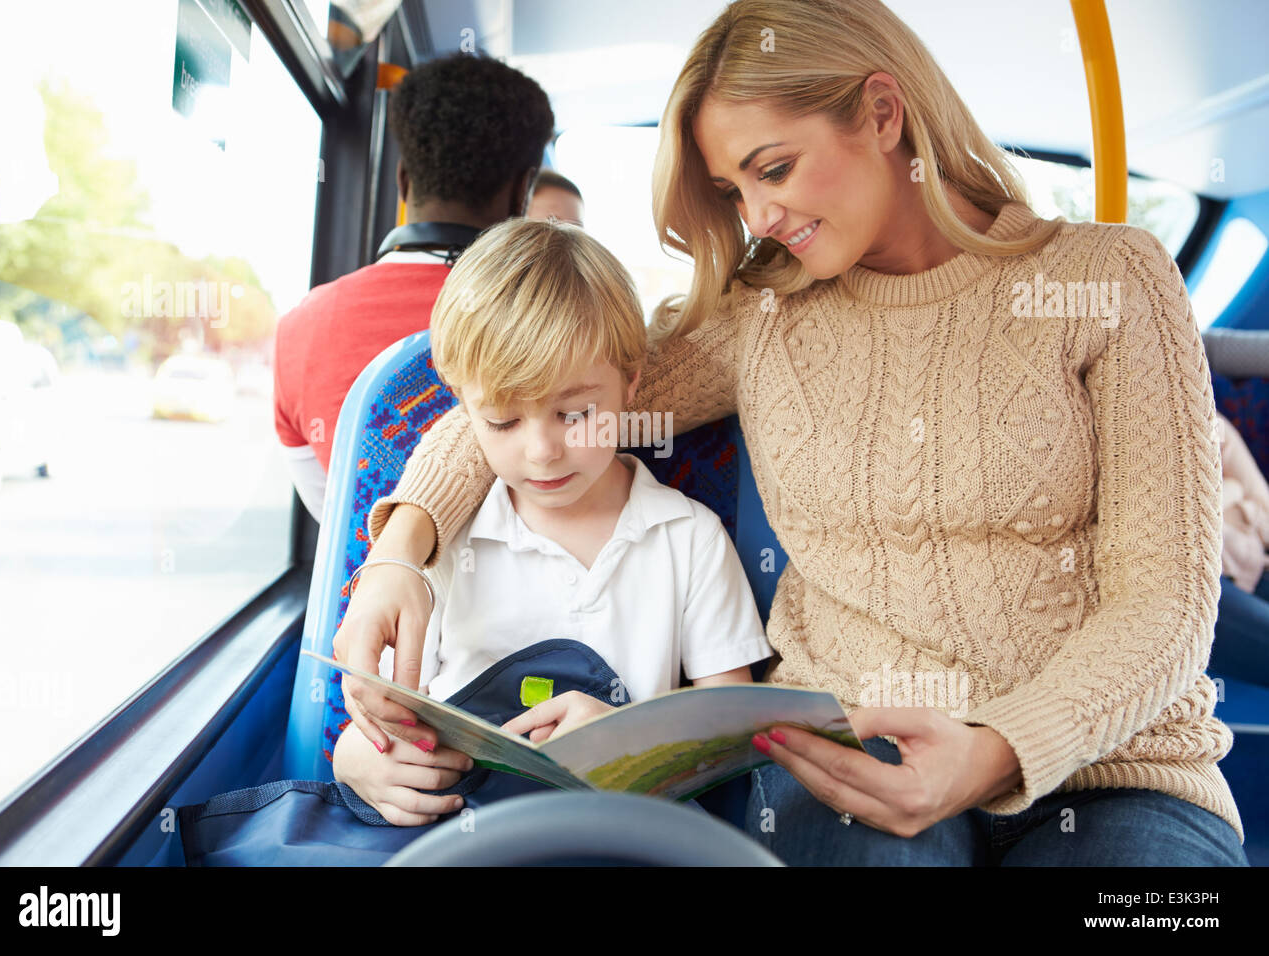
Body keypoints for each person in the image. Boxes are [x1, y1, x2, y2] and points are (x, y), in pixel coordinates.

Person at [335, 0, 1247, 866]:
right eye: (734, 190)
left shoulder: (1114, 278)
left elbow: (1164, 608)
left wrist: (996, 751)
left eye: (773, 169)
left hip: (1118, 769)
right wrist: (398, 555)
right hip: (848, 756)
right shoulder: (760, 312)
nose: (758, 218)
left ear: (883, 113)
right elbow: (523, 401)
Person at [331, 217, 771, 826]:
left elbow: (734, 735)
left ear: (631, 383)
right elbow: (383, 717)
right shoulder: (440, 545)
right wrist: (356, 758)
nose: (541, 452)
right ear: (464, 407)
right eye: (503, 422)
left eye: (576, 413)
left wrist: (633, 748)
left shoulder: (688, 539)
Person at [272, 53, 554, 520]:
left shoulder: (300, 329)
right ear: (523, 190)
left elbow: (339, 523)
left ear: (403, 180)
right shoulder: (558, 318)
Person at [1212, 411, 1269, 687]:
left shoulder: (1212, 425)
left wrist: (1233, 493)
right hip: (1195, 581)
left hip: (1254, 562)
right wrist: (1231, 491)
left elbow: (1262, 501)